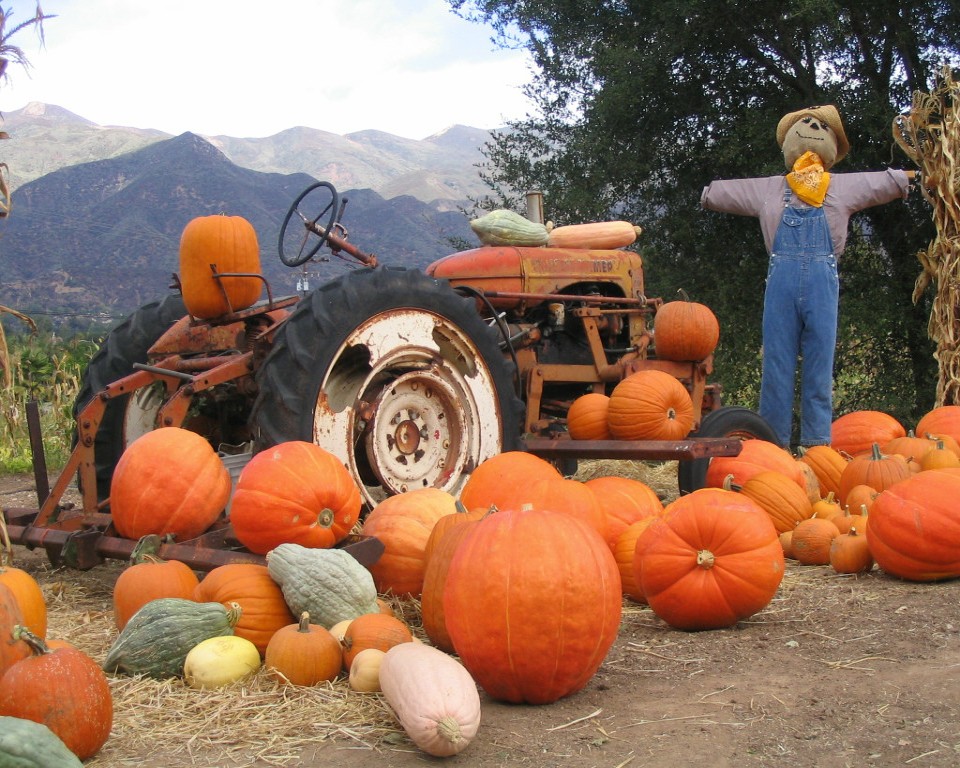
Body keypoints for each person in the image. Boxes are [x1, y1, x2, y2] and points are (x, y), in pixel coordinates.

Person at [701, 104, 912, 449]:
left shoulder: (841, 187)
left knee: (819, 364)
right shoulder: (770, 189)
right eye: (806, 125)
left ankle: (816, 448)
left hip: (821, 284)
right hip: (780, 284)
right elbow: (726, 191)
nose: (812, 129)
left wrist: (908, 178)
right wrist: (710, 193)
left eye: (820, 127)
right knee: (777, 365)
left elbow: (879, 183)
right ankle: (773, 447)